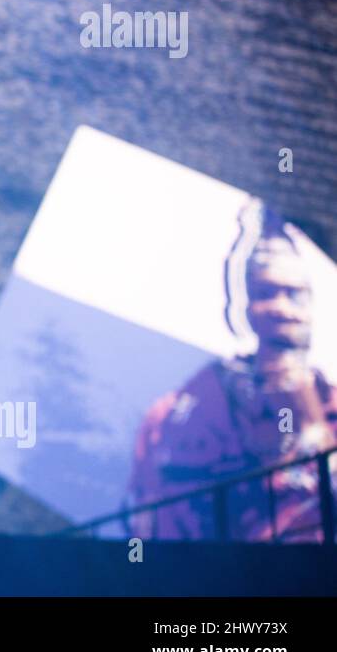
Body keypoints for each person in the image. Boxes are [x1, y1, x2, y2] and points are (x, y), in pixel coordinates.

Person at [127, 202, 337, 542]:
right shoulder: (184, 411)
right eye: (265, 293)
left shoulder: (329, 405)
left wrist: (311, 425)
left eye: (294, 294)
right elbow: (153, 523)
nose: (281, 309)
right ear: (243, 305)